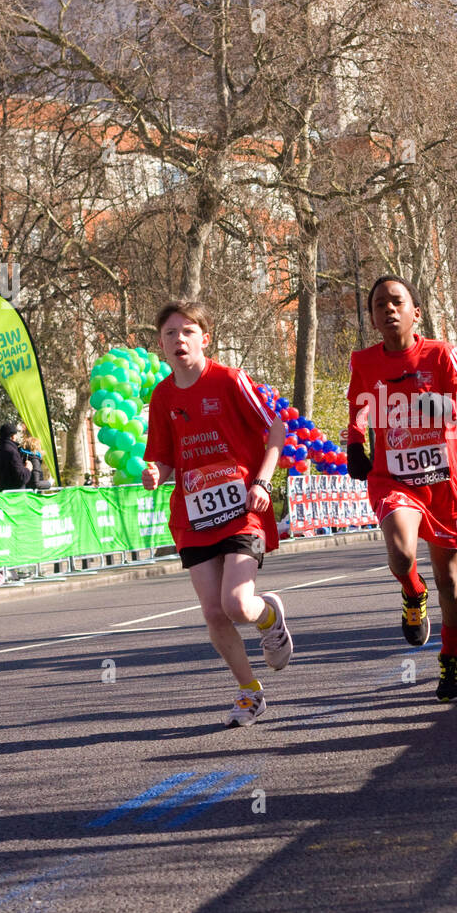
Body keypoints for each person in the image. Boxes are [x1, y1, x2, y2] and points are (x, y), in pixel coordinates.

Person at [143, 300, 293, 728]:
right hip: (193, 514)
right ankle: (250, 693)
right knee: (213, 612)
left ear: (204, 338)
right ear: (161, 344)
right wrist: (156, 473)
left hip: (242, 507)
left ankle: (268, 615)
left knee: (236, 604)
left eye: (188, 331)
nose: (179, 340)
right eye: (170, 334)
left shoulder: (229, 380)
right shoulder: (163, 396)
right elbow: (165, 459)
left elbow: (277, 429)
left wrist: (262, 481)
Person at [346, 276, 457, 703]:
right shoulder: (364, 362)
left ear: (415, 312)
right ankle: (411, 591)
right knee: (403, 552)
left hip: (440, 481)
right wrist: (354, 442)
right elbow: (358, 407)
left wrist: (436, 406)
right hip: (393, 479)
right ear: (372, 317)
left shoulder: (441, 354)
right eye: (379, 304)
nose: (388, 309)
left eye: (397, 301)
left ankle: (451, 656)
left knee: (448, 577)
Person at [0, 421, 32, 491]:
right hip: (15, 497)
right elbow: (22, 478)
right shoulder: (12, 453)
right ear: (13, 436)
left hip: (2, 495)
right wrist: (28, 469)